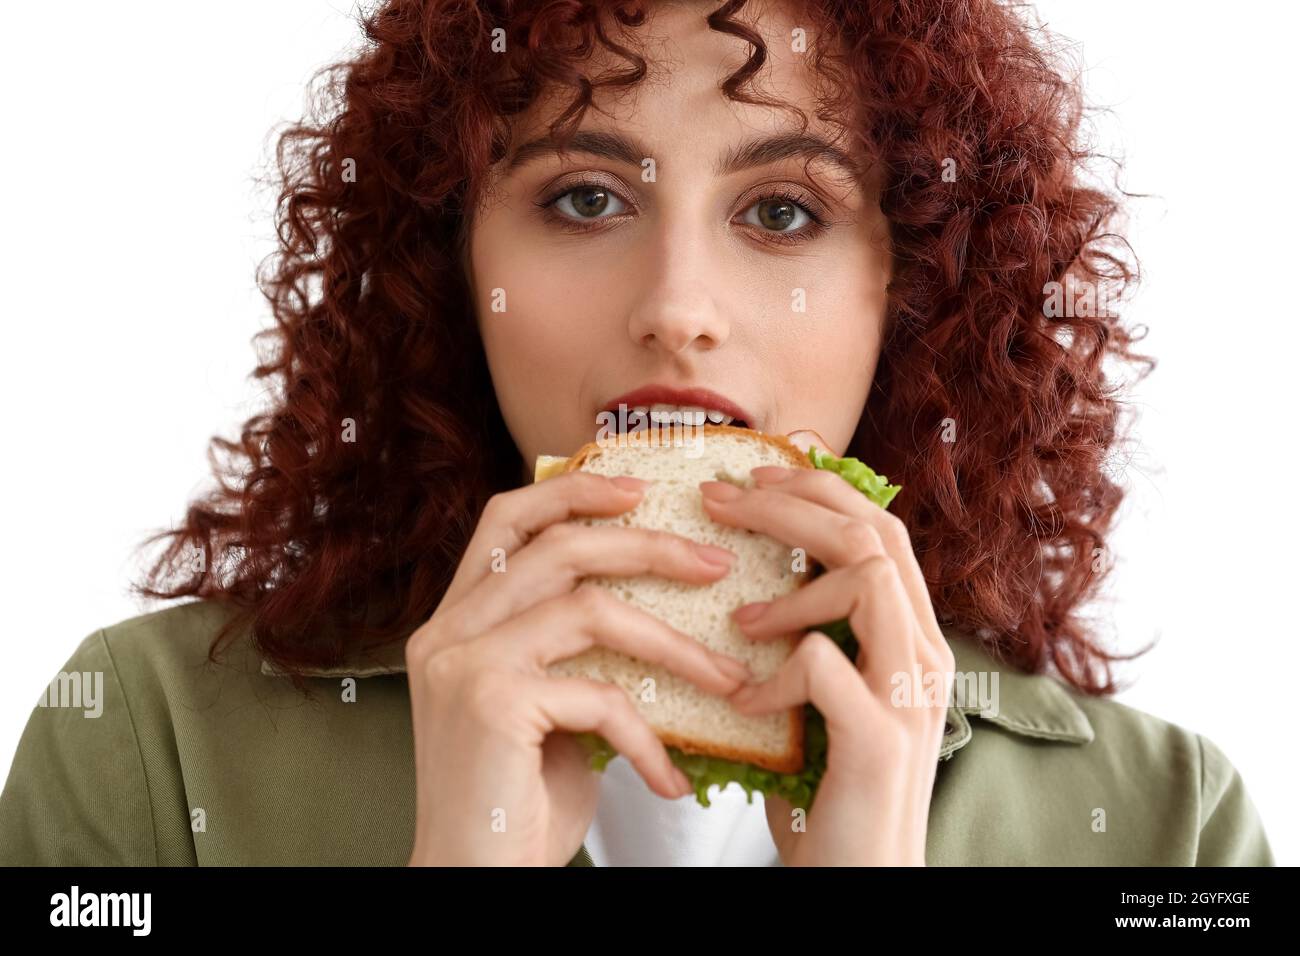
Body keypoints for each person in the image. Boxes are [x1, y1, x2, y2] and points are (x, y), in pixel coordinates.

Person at [0, 0, 1274, 866]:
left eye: (781, 212)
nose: (676, 311)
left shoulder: (1171, 827)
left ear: (915, 289)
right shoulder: (144, 745)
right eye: (586, 196)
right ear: (449, 258)